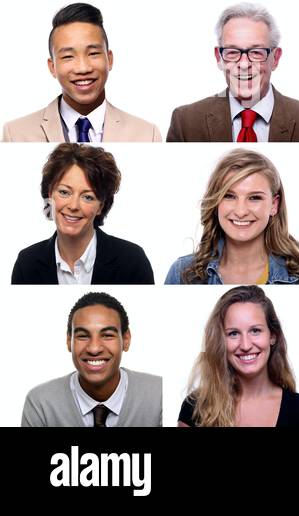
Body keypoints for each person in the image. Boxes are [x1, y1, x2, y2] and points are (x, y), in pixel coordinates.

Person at [166, 3, 299, 142]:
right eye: (232, 52)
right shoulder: (185, 123)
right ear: (219, 57)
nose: (243, 64)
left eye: (256, 52)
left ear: (275, 58)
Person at [2, 3, 160, 142]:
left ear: (109, 59)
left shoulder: (147, 134)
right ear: (52, 67)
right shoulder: (15, 134)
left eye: (93, 53)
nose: (83, 68)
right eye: (68, 56)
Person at [164, 148, 299, 285]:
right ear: (216, 201)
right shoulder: (181, 274)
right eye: (229, 196)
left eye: (254, 198)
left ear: (274, 205)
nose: (241, 211)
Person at [12, 143, 153, 284]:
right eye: (64, 192)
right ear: (50, 196)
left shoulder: (133, 261)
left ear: (100, 206)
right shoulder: (27, 263)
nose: (73, 206)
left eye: (87, 197)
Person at [178, 286, 299, 427]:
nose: (245, 345)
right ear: (221, 341)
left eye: (255, 331)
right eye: (233, 333)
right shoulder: (195, 407)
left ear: (272, 336)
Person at [22, 292, 162, 427]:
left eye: (107, 335)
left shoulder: (159, 394)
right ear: (68, 341)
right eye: (83, 336)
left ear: (126, 340)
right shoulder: (41, 402)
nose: (94, 348)